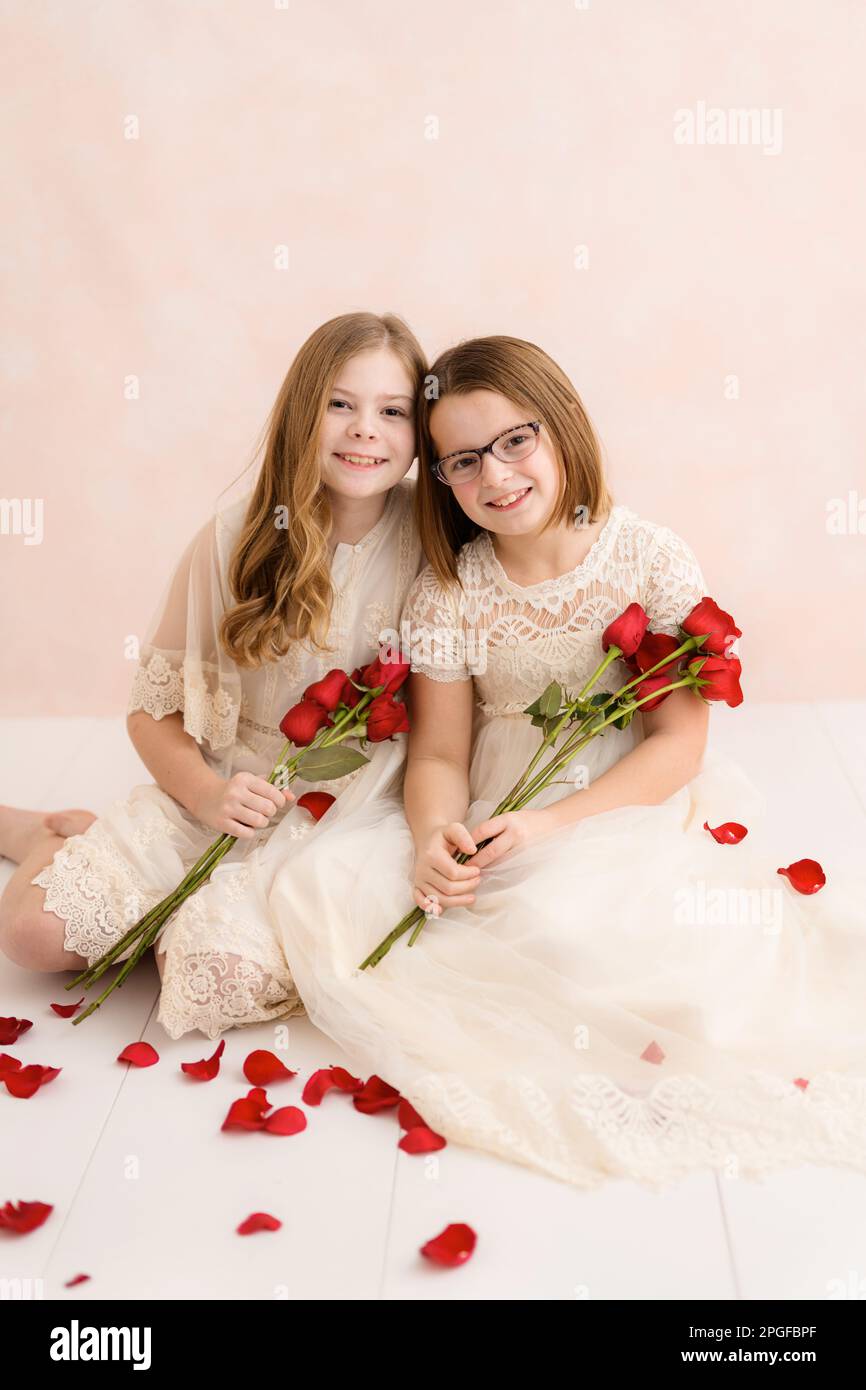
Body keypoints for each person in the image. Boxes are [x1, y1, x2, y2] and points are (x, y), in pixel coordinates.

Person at [263, 334, 866, 1191]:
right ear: (439, 478)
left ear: (564, 426)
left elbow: (678, 744)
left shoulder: (645, 557)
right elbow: (438, 748)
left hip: (616, 803)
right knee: (323, 883)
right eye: (463, 462)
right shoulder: (454, 588)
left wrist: (553, 824)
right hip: (496, 804)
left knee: (576, 928)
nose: (498, 477)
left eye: (516, 441)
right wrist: (437, 833)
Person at [0, 311, 426, 1040]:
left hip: (349, 816)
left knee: (216, 979)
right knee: (33, 938)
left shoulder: (438, 542)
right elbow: (151, 709)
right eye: (340, 404)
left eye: (393, 411)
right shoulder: (239, 538)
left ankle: (179, 921)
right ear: (302, 413)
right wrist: (203, 793)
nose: (365, 429)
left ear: (420, 431)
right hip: (224, 790)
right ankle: (53, 832)